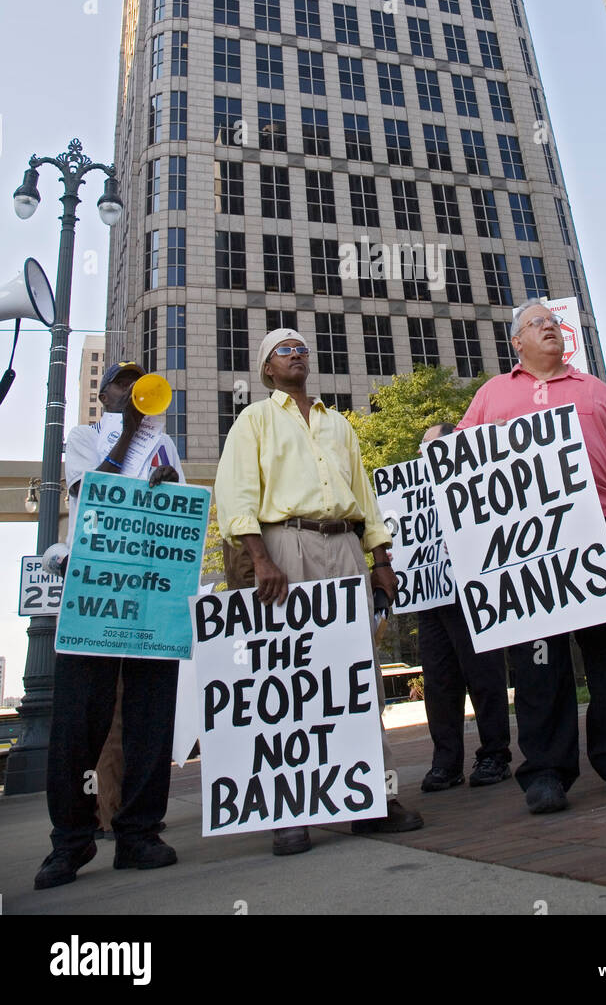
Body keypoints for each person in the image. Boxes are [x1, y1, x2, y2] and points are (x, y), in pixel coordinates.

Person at [214, 327, 423, 856]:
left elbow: (364, 493)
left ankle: (374, 796)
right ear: (266, 369)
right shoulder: (254, 420)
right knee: (291, 679)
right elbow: (237, 493)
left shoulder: (339, 425)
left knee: (357, 675)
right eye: (284, 349)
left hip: (343, 547)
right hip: (287, 548)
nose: (298, 353)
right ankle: (291, 811)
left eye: (302, 347)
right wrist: (260, 557)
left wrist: (379, 558)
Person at [457, 300, 606, 814]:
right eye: (537, 323)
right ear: (516, 342)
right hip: (530, 544)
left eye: (553, 321)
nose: (549, 327)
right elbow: (461, 460)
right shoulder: (491, 394)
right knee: (537, 656)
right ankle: (546, 772)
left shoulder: (593, 388)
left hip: (604, 527)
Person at [34, 363, 184, 890]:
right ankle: (70, 841)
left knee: (150, 715)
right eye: (124, 383)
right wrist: (126, 435)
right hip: (95, 591)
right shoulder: (82, 437)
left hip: (151, 591)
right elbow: (90, 489)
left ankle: (139, 833)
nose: (135, 390)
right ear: (104, 395)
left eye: (141, 382)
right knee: (80, 719)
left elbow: (180, 517)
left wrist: (166, 486)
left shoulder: (166, 446)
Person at [417, 423, 512, 792]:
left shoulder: (475, 480)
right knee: (438, 680)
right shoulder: (415, 492)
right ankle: (446, 762)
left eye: (429, 445)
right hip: (430, 595)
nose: (423, 452)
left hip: (470, 589)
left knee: (482, 673)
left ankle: (494, 753)